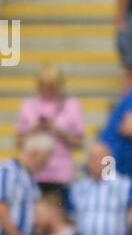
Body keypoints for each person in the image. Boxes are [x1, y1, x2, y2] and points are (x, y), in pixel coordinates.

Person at [15, 65, 84, 195]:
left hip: (61, 172)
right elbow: (19, 140)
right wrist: (35, 129)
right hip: (34, 171)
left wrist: (57, 130)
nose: (47, 91)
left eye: (51, 87)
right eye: (43, 87)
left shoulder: (70, 104)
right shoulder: (29, 104)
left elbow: (79, 141)